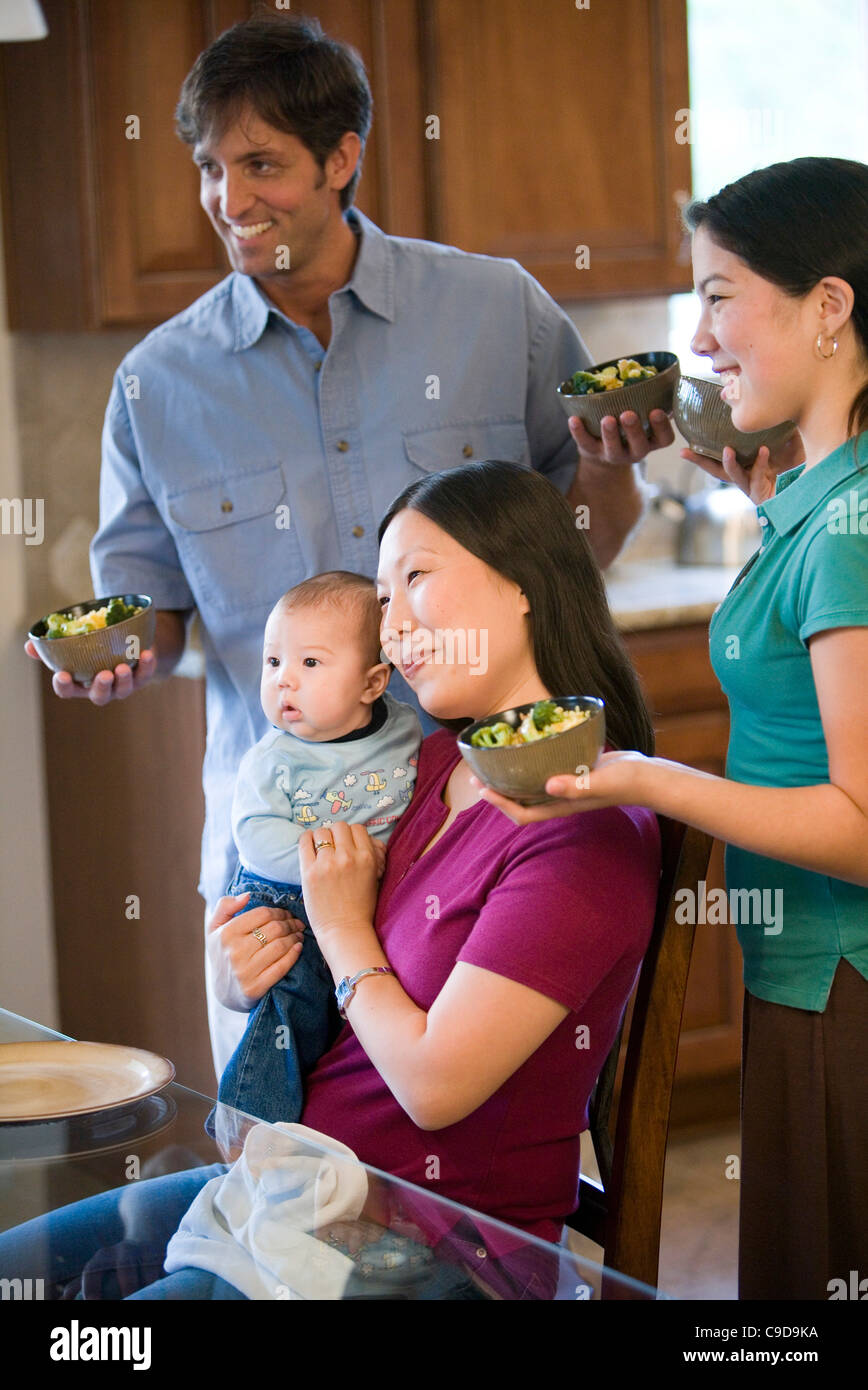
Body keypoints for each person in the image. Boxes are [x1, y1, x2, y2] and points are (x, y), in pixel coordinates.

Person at [22, 12, 674, 1079]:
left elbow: (578, 544)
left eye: (262, 164)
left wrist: (611, 463)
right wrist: (123, 654)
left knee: (482, 1146)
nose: (230, 202)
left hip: (490, 829)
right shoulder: (157, 380)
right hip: (278, 856)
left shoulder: (494, 310)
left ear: (341, 158)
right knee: (277, 1154)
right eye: (207, 168)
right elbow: (148, 607)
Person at [0, 460, 661, 1300]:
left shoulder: (582, 828)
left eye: (416, 578)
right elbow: (321, 962)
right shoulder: (421, 769)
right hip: (298, 1185)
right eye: (383, 601)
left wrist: (341, 924)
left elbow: (433, 1088)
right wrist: (241, 970)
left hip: (437, 1246)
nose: (391, 630)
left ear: (523, 580)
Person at [471, 158, 868, 1302]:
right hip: (807, 967)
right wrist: (766, 497)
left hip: (842, 975)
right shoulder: (826, 503)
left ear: (828, 307)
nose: (697, 337)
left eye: (719, 292)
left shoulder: (846, 527)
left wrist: (642, 775)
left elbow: (857, 824)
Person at [216, 570, 422, 1125]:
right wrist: (331, 866)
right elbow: (256, 838)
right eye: (273, 662)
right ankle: (253, 1123)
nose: (285, 681)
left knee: (366, 1022)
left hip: (370, 900)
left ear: (373, 684)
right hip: (287, 896)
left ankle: (348, 1127)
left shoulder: (404, 731)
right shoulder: (272, 759)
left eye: (309, 664)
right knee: (294, 1004)